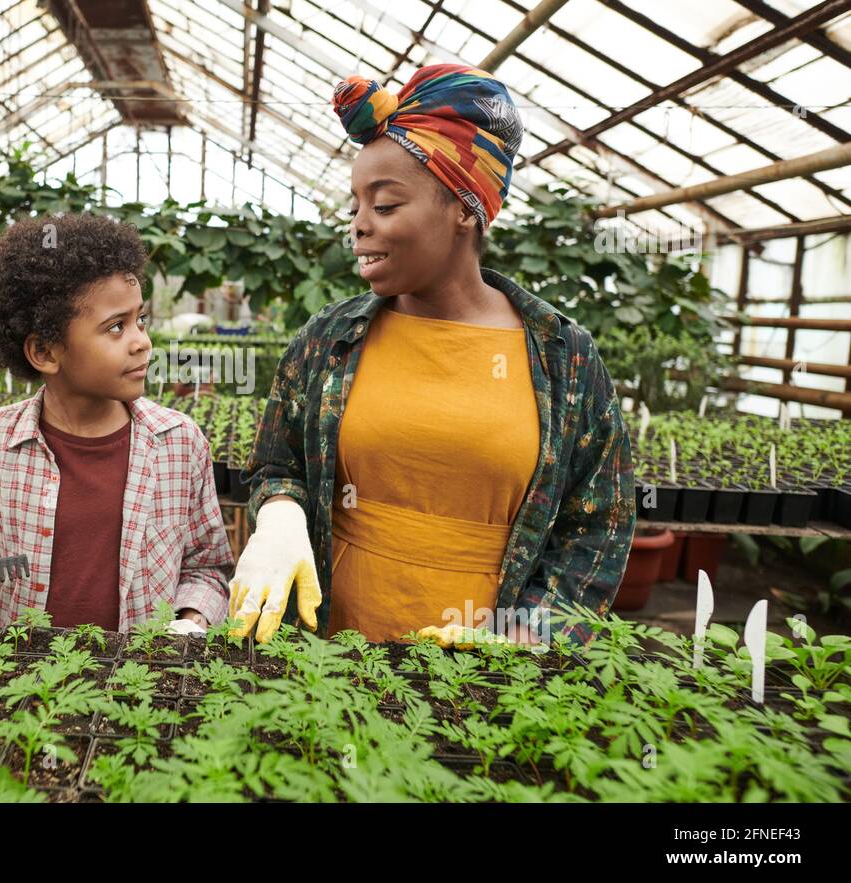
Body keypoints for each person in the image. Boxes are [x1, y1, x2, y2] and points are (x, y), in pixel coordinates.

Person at [229, 64, 635, 647]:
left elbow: (598, 523)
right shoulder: (329, 339)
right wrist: (280, 516)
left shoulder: (562, 357)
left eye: (386, 206)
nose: (359, 227)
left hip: (485, 681)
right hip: (325, 664)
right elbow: (278, 465)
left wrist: (530, 635)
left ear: (466, 210)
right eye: (355, 206)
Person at [0, 213, 232, 635]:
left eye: (140, 320)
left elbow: (208, 566)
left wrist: (192, 619)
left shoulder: (180, 444)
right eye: (115, 327)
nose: (142, 340)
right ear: (46, 352)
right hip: (19, 682)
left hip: (142, 685)